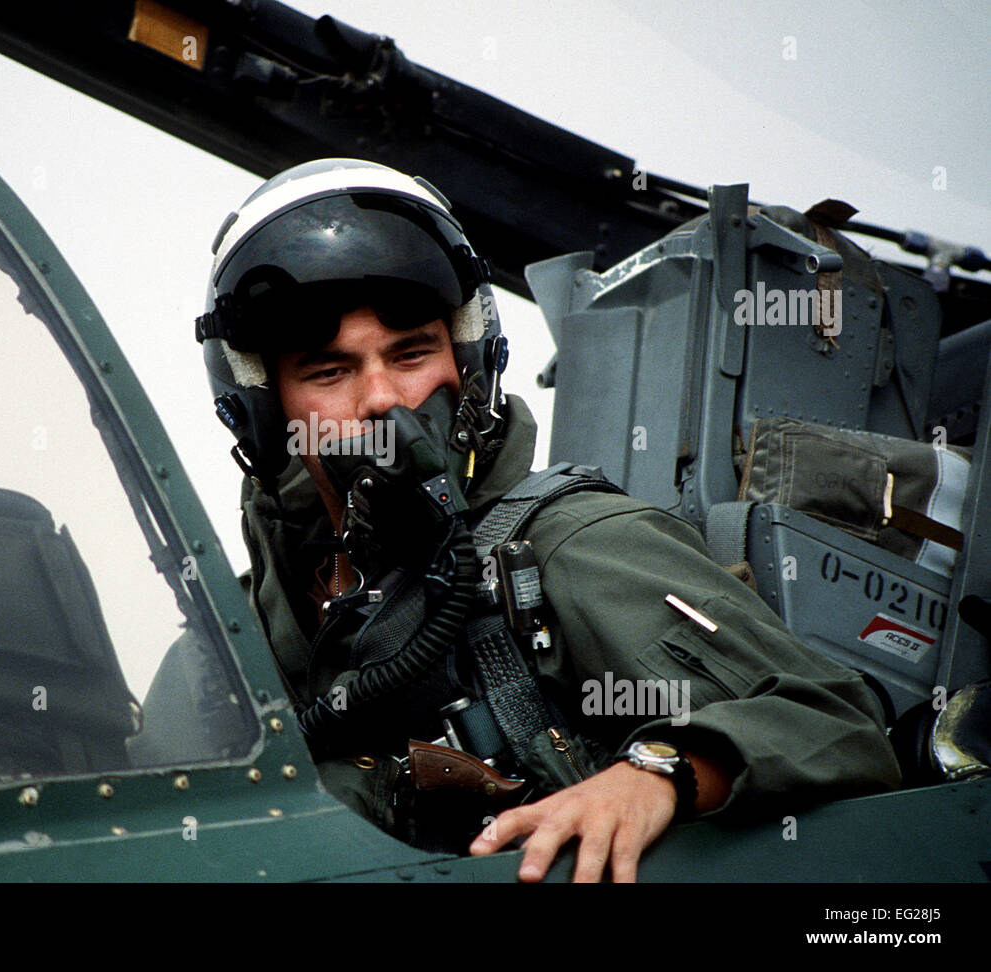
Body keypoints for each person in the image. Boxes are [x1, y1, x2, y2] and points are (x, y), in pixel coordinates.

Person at [195, 158, 902, 882]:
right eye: (330, 371)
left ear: (467, 364)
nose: (383, 400)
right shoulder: (242, 627)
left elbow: (837, 723)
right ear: (265, 407)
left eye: (411, 353)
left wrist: (655, 774)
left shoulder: (569, 544)